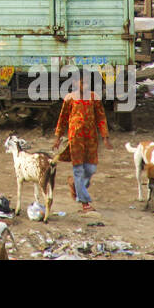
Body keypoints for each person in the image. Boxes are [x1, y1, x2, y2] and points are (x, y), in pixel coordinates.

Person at [54, 71, 112, 212]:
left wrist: (105, 137)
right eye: (82, 82)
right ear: (75, 83)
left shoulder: (94, 97)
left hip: (91, 139)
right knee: (79, 169)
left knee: (91, 169)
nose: (85, 85)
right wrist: (58, 138)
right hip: (76, 139)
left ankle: (74, 184)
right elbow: (62, 119)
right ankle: (85, 203)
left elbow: (101, 118)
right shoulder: (69, 98)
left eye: (86, 82)